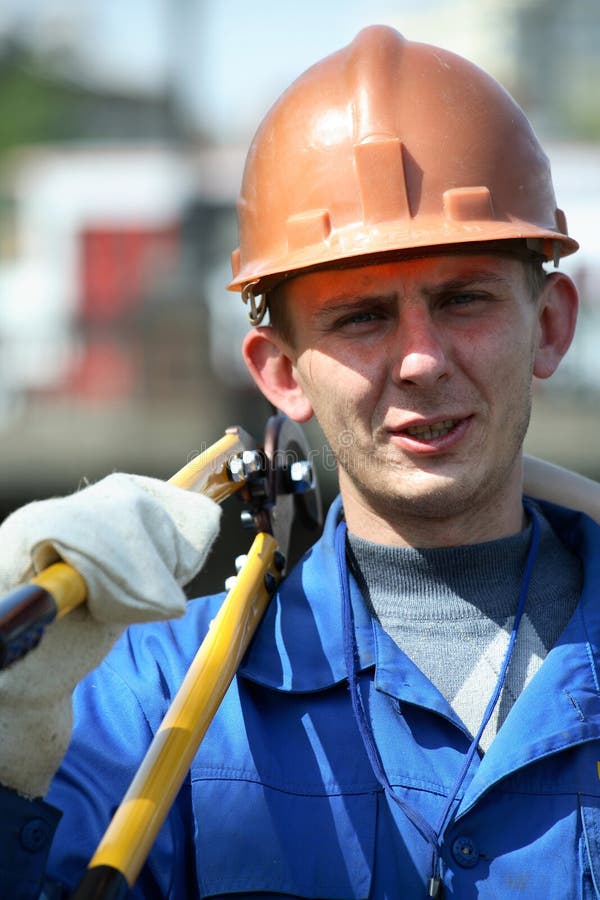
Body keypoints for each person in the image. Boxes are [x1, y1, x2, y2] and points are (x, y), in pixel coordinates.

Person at [1, 23, 600, 899]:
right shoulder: (157, 700)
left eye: (463, 299)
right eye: (361, 317)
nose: (423, 359)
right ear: (281, 371)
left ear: (549, 325)